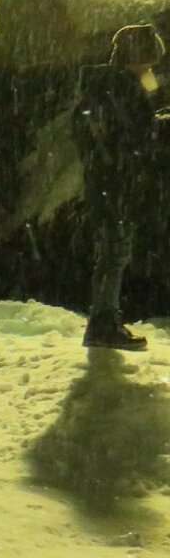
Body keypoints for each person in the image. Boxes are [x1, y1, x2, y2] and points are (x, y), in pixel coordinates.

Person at [74, 21, 167, 351]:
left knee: (113, 252)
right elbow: (133, 140)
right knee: (114, 253)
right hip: (114, 186)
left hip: (109, 184)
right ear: (137, 55)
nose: (152, 66)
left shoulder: (106, 86)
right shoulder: (119, 88)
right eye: (150, 58)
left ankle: (105, 320)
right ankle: (103, 324)